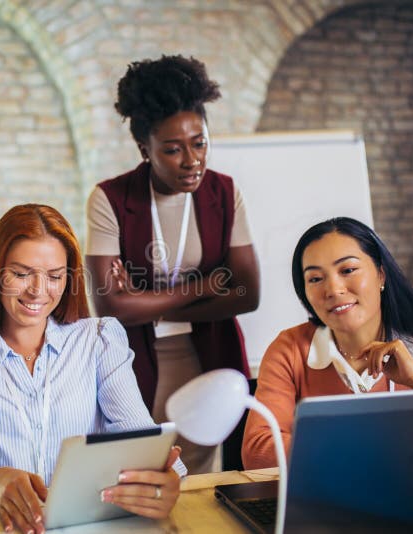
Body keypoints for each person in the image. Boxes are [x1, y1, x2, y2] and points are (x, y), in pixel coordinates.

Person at [0, 204, 185, 534]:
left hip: (93, 524)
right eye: (21, 274)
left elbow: (136, 434)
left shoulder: (98, 340)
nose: (38, 291)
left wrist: (167, 478)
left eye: (54, 276)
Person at [85, 55, 260, 474]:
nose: (191, 160)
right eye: (172, 148)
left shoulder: (224, 193)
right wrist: (206, 285)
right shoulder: (110, 199)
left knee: (199, 472)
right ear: (145, 149)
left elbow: (248, 293)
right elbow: (110, 309)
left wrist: (143, 300)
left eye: (199, 142)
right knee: (138, 467)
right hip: (135, 360)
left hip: (208, 354)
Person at [242, 217, 413, 469]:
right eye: (315, 279)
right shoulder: (290, 349)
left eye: (348, 270)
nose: (333, 289)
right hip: (328, 505)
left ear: (381, 275)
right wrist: (375, 451)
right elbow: (258, 451)